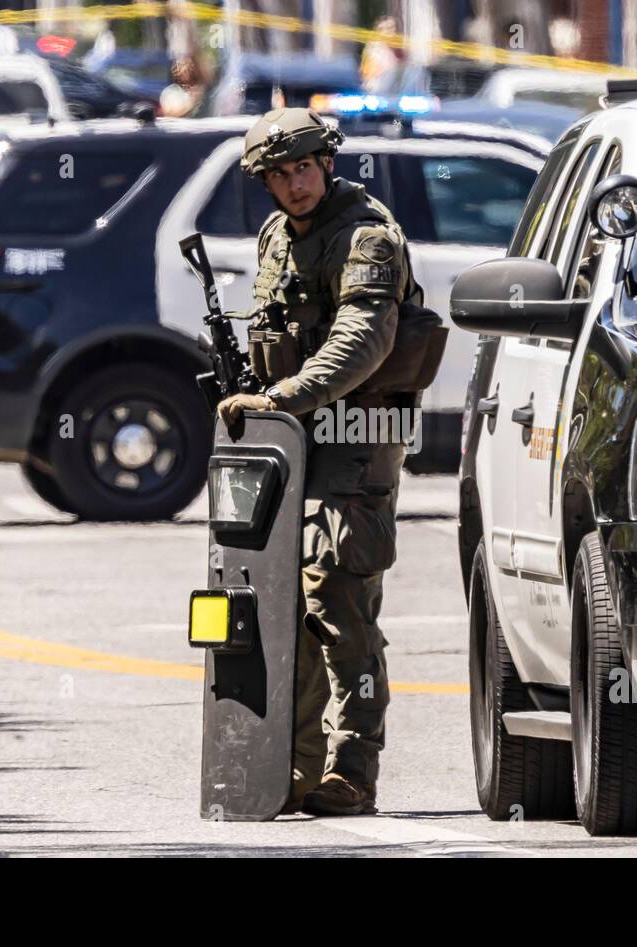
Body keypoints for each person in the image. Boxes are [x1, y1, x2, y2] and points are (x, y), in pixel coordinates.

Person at [216, 107, 419, 816]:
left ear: (326, 164)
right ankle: (294, 770)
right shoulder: (278, 236)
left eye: (303, 167)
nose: (293, 183)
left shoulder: (368, 238)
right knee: (277, 601)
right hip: (287, 442)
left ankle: (352, 771)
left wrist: (279, 396)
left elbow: (361, 343)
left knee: (339, 603)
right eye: (278, 173)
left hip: (354, 442)